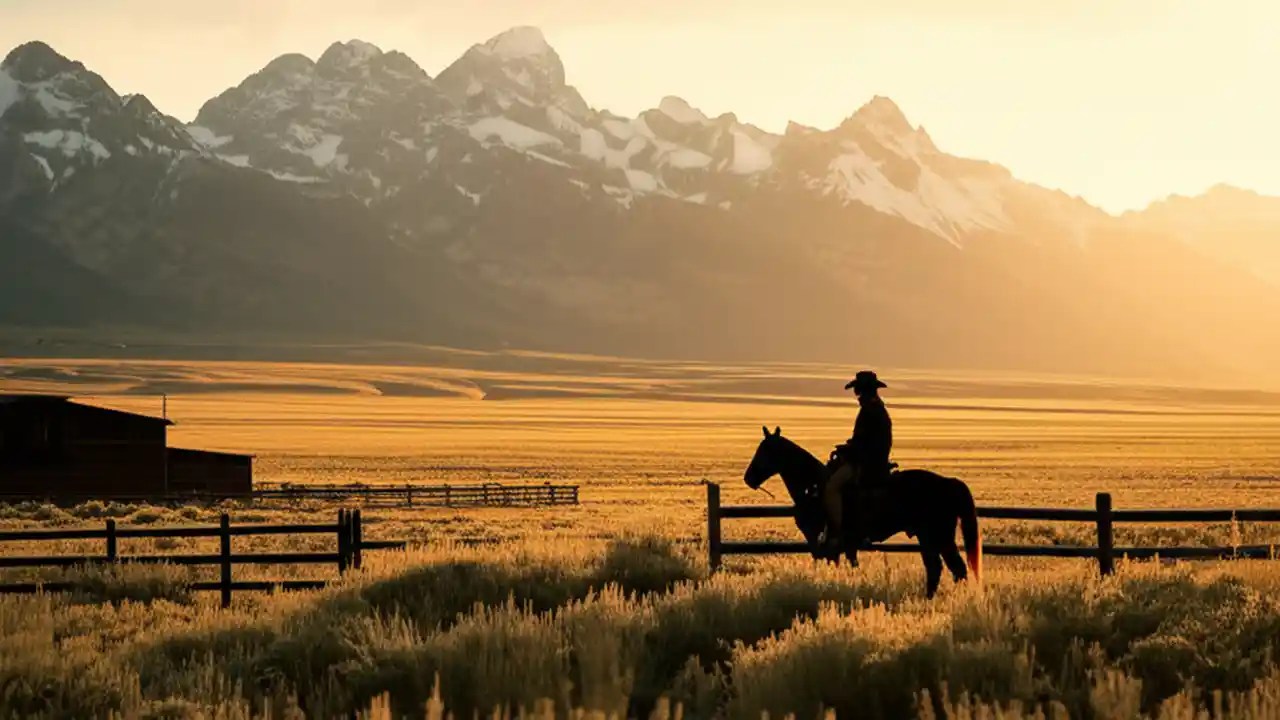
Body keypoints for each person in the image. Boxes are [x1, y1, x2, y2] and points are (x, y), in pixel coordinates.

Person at [821, 370, 893, 552]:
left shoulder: (870, 411)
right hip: (871, 459)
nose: (856, 394)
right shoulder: (876, 409)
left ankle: (836, 533)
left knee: (832, 487)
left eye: (858, 390)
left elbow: (865, 442)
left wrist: (849, 450)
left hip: (867, 463)